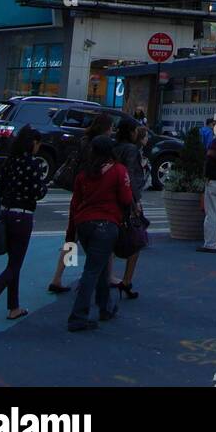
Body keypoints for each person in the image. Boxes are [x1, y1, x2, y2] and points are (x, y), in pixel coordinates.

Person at [0, 126, 47, 330]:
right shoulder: (32, 165)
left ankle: (13, 306)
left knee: (13, 262)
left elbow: (0, 190)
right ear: (33, 143)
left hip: (6, 212)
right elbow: (38, 192)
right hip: (23, 216)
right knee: (15, 264)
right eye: (38, 143)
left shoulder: (9, 162)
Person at [67, 135, 133, 331]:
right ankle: (78, 315)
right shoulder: (118, 171)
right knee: (92, 270)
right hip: (106, 223)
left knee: (99, 266)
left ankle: (105, 307)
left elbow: (74, 203)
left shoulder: (84, 174)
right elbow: (126, 198)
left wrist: (71, 233)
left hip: (84, 223)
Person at [47, 111, 114, 295]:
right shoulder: (99, 148)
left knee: (72, 238)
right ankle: (104, 277)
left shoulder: (84, 141)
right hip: (93, 197)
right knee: (103, 239)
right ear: (106, 129)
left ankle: (59, 276)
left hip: (79, 195)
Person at [113, 118, 148, 297]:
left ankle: (106, 276)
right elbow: (131, 177)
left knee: (110, 240)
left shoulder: (113, 147)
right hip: (127, 200)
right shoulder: (131, 150)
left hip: (111, 199)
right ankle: (126, 280)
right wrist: (136, 201)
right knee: (135, 240)